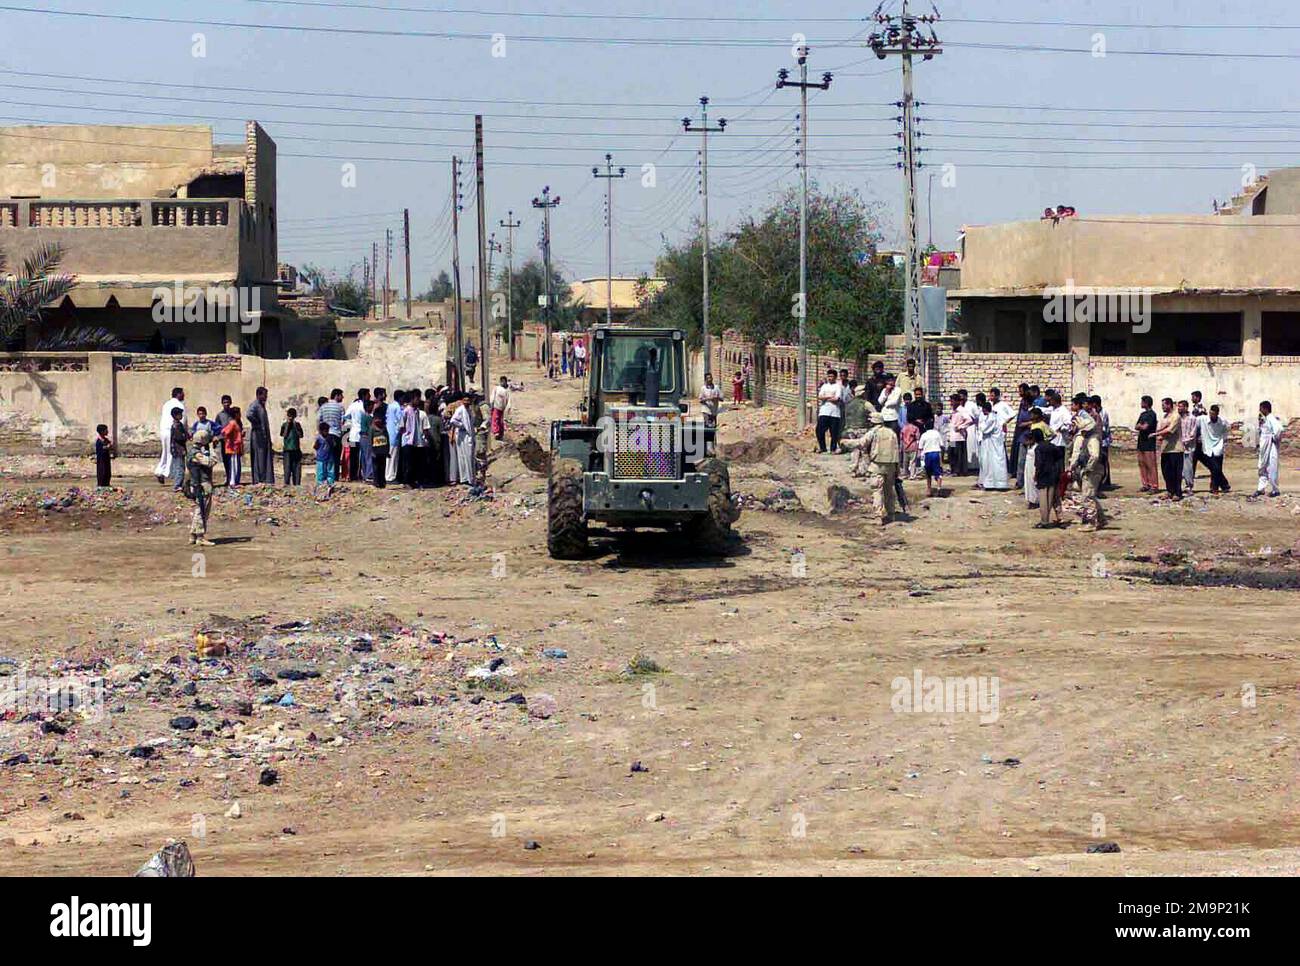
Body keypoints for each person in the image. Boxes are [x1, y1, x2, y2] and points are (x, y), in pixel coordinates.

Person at [1071, 394, 1106, 531]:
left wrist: (1088, 468)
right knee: (1089, 495)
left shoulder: (1093, 439)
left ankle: (1091, 523)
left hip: (1093, 470)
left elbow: (1095, 455)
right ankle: (1101, 519)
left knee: (1088, 496)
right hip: (1087, 469)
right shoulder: (1085, 438)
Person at [860, 411, 899, 526]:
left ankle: (878, 516)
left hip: (877, 465)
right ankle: (891, 514)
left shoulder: (873, 432)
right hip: (891, 465)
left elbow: (862, 443)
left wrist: (846, 442)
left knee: (877, 490)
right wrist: (897, 468)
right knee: (889, 491)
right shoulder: (891, 433)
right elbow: (897, 450)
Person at [185, 429, 217, 547]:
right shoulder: (197, 454)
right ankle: (200, 536)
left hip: (196, 484)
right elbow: (210, 462)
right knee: (202, 511)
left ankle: (193, 535)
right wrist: (213, 450)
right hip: (202, 484)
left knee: (199, 509)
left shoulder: (192, 452)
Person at [1031, 429, 1064, 528]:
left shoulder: (1038, 449)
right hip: (1054, 474)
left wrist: (1036, 475)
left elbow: (1039, 464)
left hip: (1044, 475)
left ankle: (1044, 521)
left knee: (1044, 499)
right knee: (1055, 497)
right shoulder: (1051, 445)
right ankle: (1060, 518)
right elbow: (1060, 455)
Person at [1152, 396, 1184, 500]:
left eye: (1164, 405)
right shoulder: (1165, 417)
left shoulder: (1176, 416)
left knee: (1176, 473)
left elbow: (1170, 430)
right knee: (1166, 471)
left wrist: (1156, 434)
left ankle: (1177, 493)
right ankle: (1169, 491)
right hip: (1165, 449)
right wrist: (1159, 434)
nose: (1162, 407)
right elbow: (1161, 429)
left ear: (1169, 405)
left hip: (1175, 449)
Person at [976, 400, 1011, 490]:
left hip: (994, 445)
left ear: (985, 409)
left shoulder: (991, 418)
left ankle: (997, 484)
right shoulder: (993, 416)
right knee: (991, 463)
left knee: (995, 463)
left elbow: (984, 429)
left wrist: (979, 426)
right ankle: (992, 483)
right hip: (992, 444)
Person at [1196, 404, 1231, 494]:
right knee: (1215, 468)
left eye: (1214, 414)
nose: (1212, 416)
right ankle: (1223, 485)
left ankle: (1216, 487)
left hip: (1218, 447)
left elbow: (1227, 430)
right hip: (1207, 447)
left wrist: (1223, 441)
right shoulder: (1202, 419)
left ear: (1217, 414)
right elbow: (1194, 424)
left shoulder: (1222, 422)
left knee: (1217, 468)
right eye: (1210, 414)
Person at [154, 387, 185, 484]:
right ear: (178, 394)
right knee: (172, 453)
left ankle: (161, 471)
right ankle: (165, 473)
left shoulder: (166, 404)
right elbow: (182, 421)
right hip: (173, 431)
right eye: (182, 393)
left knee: (166, 452)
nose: (184, 395)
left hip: (164, 431)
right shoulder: (179, 405)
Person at [1023, 407, 1050, 509]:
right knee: (1028, 482)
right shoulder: (1032, 446)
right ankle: (1031, 499)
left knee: (1033, 482)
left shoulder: (1037, 449)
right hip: (1028, 467)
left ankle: (1036, 501)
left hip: (1033, 468)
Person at [247, 386, 275, 484]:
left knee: (265, 456)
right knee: (259, 457)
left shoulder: (261, 405)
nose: (266, 397)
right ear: (259, 395)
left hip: (264, 435)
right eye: (264, 395)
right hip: (258, 435)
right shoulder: (255, 405)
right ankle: (259, 479)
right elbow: (249, 415)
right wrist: (257, 424)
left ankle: (266, 479)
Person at [1256, 400, 1283, 497]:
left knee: (1272, 468)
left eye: (1261, 408)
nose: (1260, 410)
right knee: (1262, 467)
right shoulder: (1265, 419)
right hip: (1264, 448)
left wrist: (1273, 438)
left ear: (1265, 408)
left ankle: (1275, 489)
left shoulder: (1271, 418)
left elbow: (1279, 429)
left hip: (1271, 447)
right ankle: (1261, 488)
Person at [319, 389, 345, 482]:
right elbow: (342, 422)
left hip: (325, 435)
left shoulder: (323, 407)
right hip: (336, 434)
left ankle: (324, 476)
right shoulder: (340, 407)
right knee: (336, 457)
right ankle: (335, 477)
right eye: (341, 395)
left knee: (324, 456)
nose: (342, 397)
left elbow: (319, 420)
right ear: (336, 395)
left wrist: (320, 433)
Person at [450, 391, 476, 484]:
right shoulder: (460, 409)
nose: (466, 402)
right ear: (462, 400)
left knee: (469, 457)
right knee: (464, 457)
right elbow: (453, 421)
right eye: (465, 400)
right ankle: (465, 479)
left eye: (468, 400)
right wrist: (462, 426)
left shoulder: (469, 409)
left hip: (469, 435)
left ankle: (470, 478)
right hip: (462, 435)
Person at [1135, 395, 1159, 493]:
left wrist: (1141, 426)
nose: (1141, 404)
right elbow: (1136, 426)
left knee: (1151, 464)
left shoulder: (1152, 414)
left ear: (1146, 403)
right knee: (1142, 463)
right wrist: (1141, 426)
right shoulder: (1142, 414)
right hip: (1141, 442)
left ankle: (1154, 485)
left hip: (1149, 443)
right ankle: (1146, 484)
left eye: (1142, 402)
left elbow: (1145, 427)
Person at [344, 389, 369, 482]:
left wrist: (353, 420)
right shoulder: (365, 406)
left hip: (353, 434)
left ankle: (352, 475)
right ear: (364, 395)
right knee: (363, 455)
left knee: (353, 456)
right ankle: (362, 475)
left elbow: (346, 416)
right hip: (362, 434)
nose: (369, 396)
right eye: (368, 394)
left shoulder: (353, 405)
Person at [816, 369, 842, 453]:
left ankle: (833, 449)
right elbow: (820, 397)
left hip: (834, 413)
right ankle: (822, 447)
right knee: (819, 430)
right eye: (829, 376)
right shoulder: (824, 386)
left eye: (832, 376)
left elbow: (837, 399)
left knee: (834, 432)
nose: (830, 378)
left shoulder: (838, 386)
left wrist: (825, 397)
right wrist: (829, 397)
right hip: (824, 411)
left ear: (835, 377)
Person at [211, 395, 236, 486]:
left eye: (228, 402)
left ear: (230, 402)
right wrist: (217, 438)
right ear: (222, 403)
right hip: (224, 441)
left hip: (233, 440)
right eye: (224, 402)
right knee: (226, 460)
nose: (226, 404)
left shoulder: (234, 413)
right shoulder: (220, 415)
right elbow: (217, 428)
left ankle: (234, 479)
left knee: (233, 460)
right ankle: (228, 478)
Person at [166, 407, 190, 491]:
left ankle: (178, 483)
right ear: (175, 415)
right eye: (180, 414)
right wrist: (186, 437)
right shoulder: (176, 426)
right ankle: (177, 485)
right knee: (180, 467)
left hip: (177, 449)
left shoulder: (178, 424)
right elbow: (179, 437)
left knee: (178, 466)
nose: (182, 416)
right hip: (178, 450)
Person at [1178, 399, 1199, 494]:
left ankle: (1189, 486)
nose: (1179, 408)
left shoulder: (1193, 418)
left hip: (1188, 447)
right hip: (1178, 447)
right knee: (1179, 467)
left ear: (1186, 407)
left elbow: (1193, 433)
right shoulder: (1178, 418)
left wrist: (1185, 441)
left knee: (1188, 467)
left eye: (1180, 406)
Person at [947, 393, 971, 476]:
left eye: (952, 401)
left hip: (959, 437)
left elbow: (969, 420)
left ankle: (959, 471)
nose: (951, 403)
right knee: (951, 453)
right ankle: (953, 469)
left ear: (957, 401)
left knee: (958, 454)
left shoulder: (962, 410)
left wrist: (961, 427)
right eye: (950, 401)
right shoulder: (953, 411)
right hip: (952, 436)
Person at [220, 406, 244, 487]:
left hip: (236, 448)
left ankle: (235, 481)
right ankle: (232, 482)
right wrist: (230, 440)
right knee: (233, 465)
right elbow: (225, 432)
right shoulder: (232, 423)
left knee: (236, 464)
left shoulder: (236, 423)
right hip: (233, 448)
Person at [280, 407, 303, 485]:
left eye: (292, 416)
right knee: (287, 469)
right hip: (287, 450)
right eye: (289, 416)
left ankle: (297, 484)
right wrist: (288, 425)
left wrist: (295, 426)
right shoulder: (284, 425)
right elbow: (284, 435)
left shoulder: (297, 425)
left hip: (296, 450)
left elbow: (300, 435)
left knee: (296, 469)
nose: (291, 417)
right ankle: (286, 484)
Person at [919, 422, 944, 496]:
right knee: (938, 472)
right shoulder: (937, 434)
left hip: (928, 454)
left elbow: (920, 447)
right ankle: (939, 488)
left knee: (928, 473)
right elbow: (941, 444)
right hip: (936, 453)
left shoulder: (924, 435)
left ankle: (929, 490)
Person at [370, 402, 390, 487]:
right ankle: (376, 482)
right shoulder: (372, 429)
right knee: (376, 467)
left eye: (380, 419)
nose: (378, 421)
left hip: (383, 451)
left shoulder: (384, 429)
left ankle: (382, 482)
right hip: (375, 451)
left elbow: (387, 439)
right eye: (376, 419)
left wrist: (387, 451)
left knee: (382, 467)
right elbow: (370, 441)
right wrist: (371, 451)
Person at [94, 424, 116, 488]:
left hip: (106, 459)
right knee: (102, 471)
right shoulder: (99, 441)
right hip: (101, 460)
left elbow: (110, 447)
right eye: (106, 430)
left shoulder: (106, 440)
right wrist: (106, 447)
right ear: (102, 431)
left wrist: (110, 446)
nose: (107, 432)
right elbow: (100, 450)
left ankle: (107, 484)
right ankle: (101, 485)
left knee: (107, 472)